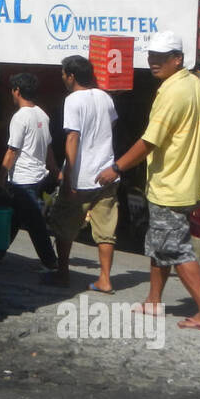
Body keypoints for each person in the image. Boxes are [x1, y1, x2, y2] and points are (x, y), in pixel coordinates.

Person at [96, 30, 200, 330]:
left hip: (171, 184)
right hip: (188, 182)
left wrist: (117, 167)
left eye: (161, 57)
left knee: (176, 249)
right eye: (151, 56)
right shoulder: (195, 86)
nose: (153, 62)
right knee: (160, 245)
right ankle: (154, 301)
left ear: (177, 59)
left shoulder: (172, 92)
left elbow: (149, 141)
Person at [46, 55, 120, 291]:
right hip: (107, 173)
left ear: (72, 76)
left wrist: (68, 175)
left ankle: (63, 273)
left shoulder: (73, 101)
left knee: (64, 225)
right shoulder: (105, 98)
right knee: (106, 229)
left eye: (63, 74)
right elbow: (111, 126)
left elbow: (72, 137)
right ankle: (106, 279)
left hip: (82, 177)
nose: (63, 78)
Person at [0, 72, 58, 270]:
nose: (11, 94)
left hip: (23, 178)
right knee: (16, 215)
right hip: (38, 176)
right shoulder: (42, 115)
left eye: (12, 90)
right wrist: (55, 171)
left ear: (17, 91)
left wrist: (0, 177)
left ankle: (50, 261)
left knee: (35, 222)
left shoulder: (20, 117)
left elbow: (13, 150)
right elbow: (49, 148)